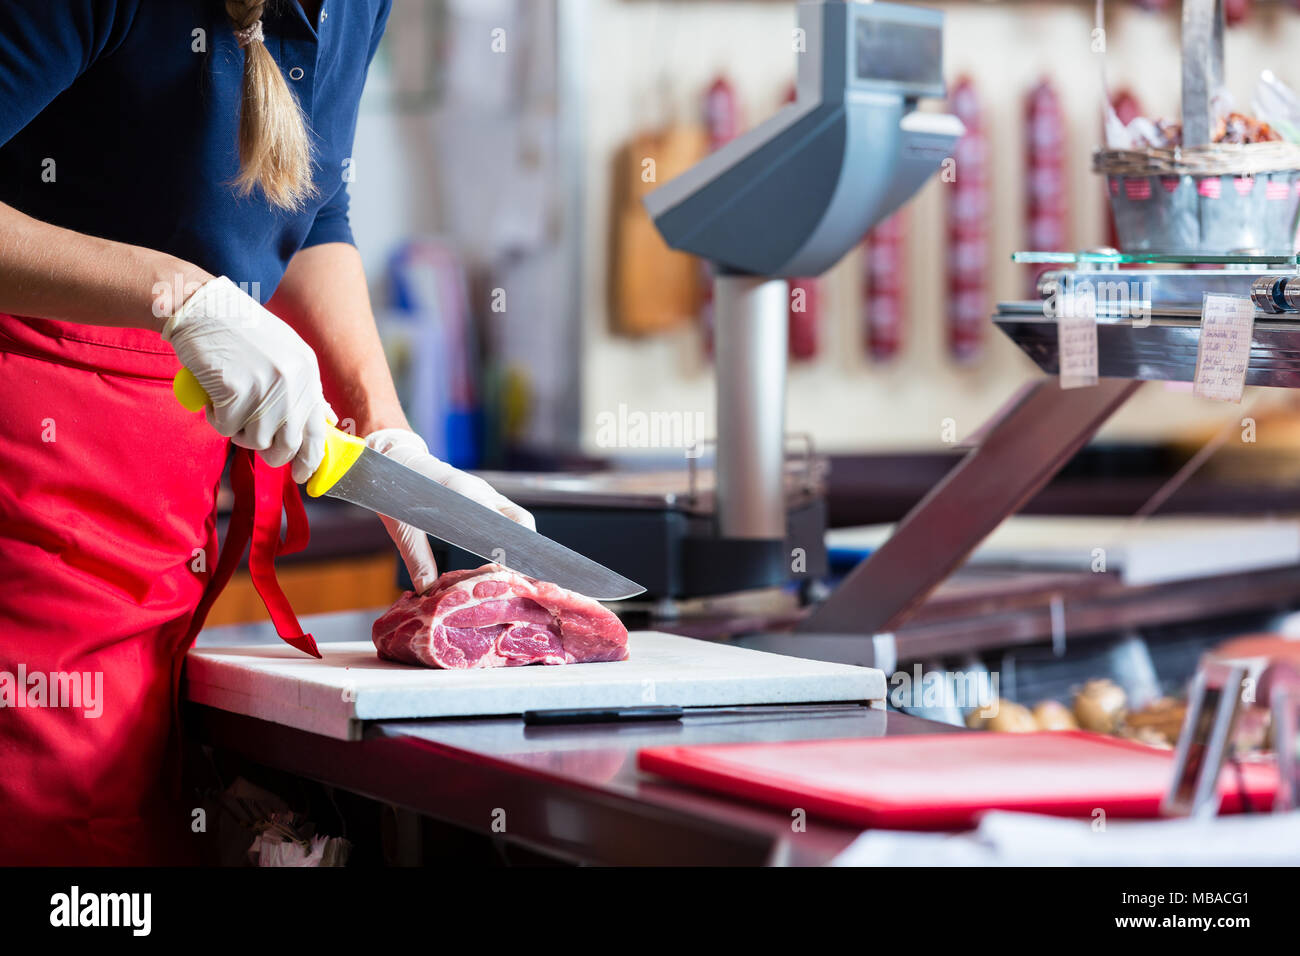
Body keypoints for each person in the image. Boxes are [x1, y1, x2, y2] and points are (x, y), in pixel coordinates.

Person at [0, 0, 532, 864]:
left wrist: (385, 426)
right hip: (29, 470)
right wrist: (174, 293)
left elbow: (311, 203)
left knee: (123, 808)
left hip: (161, 490)